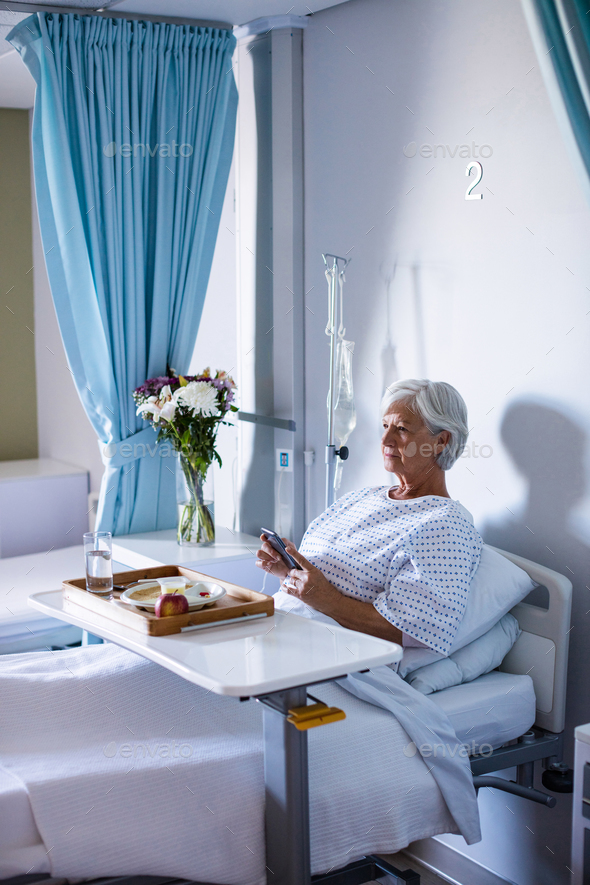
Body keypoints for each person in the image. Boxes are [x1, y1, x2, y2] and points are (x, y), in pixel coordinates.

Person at [256, 379, 482, 656]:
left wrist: (327, 600)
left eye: (401, 429)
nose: (386, 440)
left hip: (337, 654)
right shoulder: (362, 498)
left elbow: (418, 629)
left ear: (441, 441)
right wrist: (287, 572)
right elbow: (315, 587)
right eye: (385, 426)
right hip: (283, 624)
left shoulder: (445, 525)